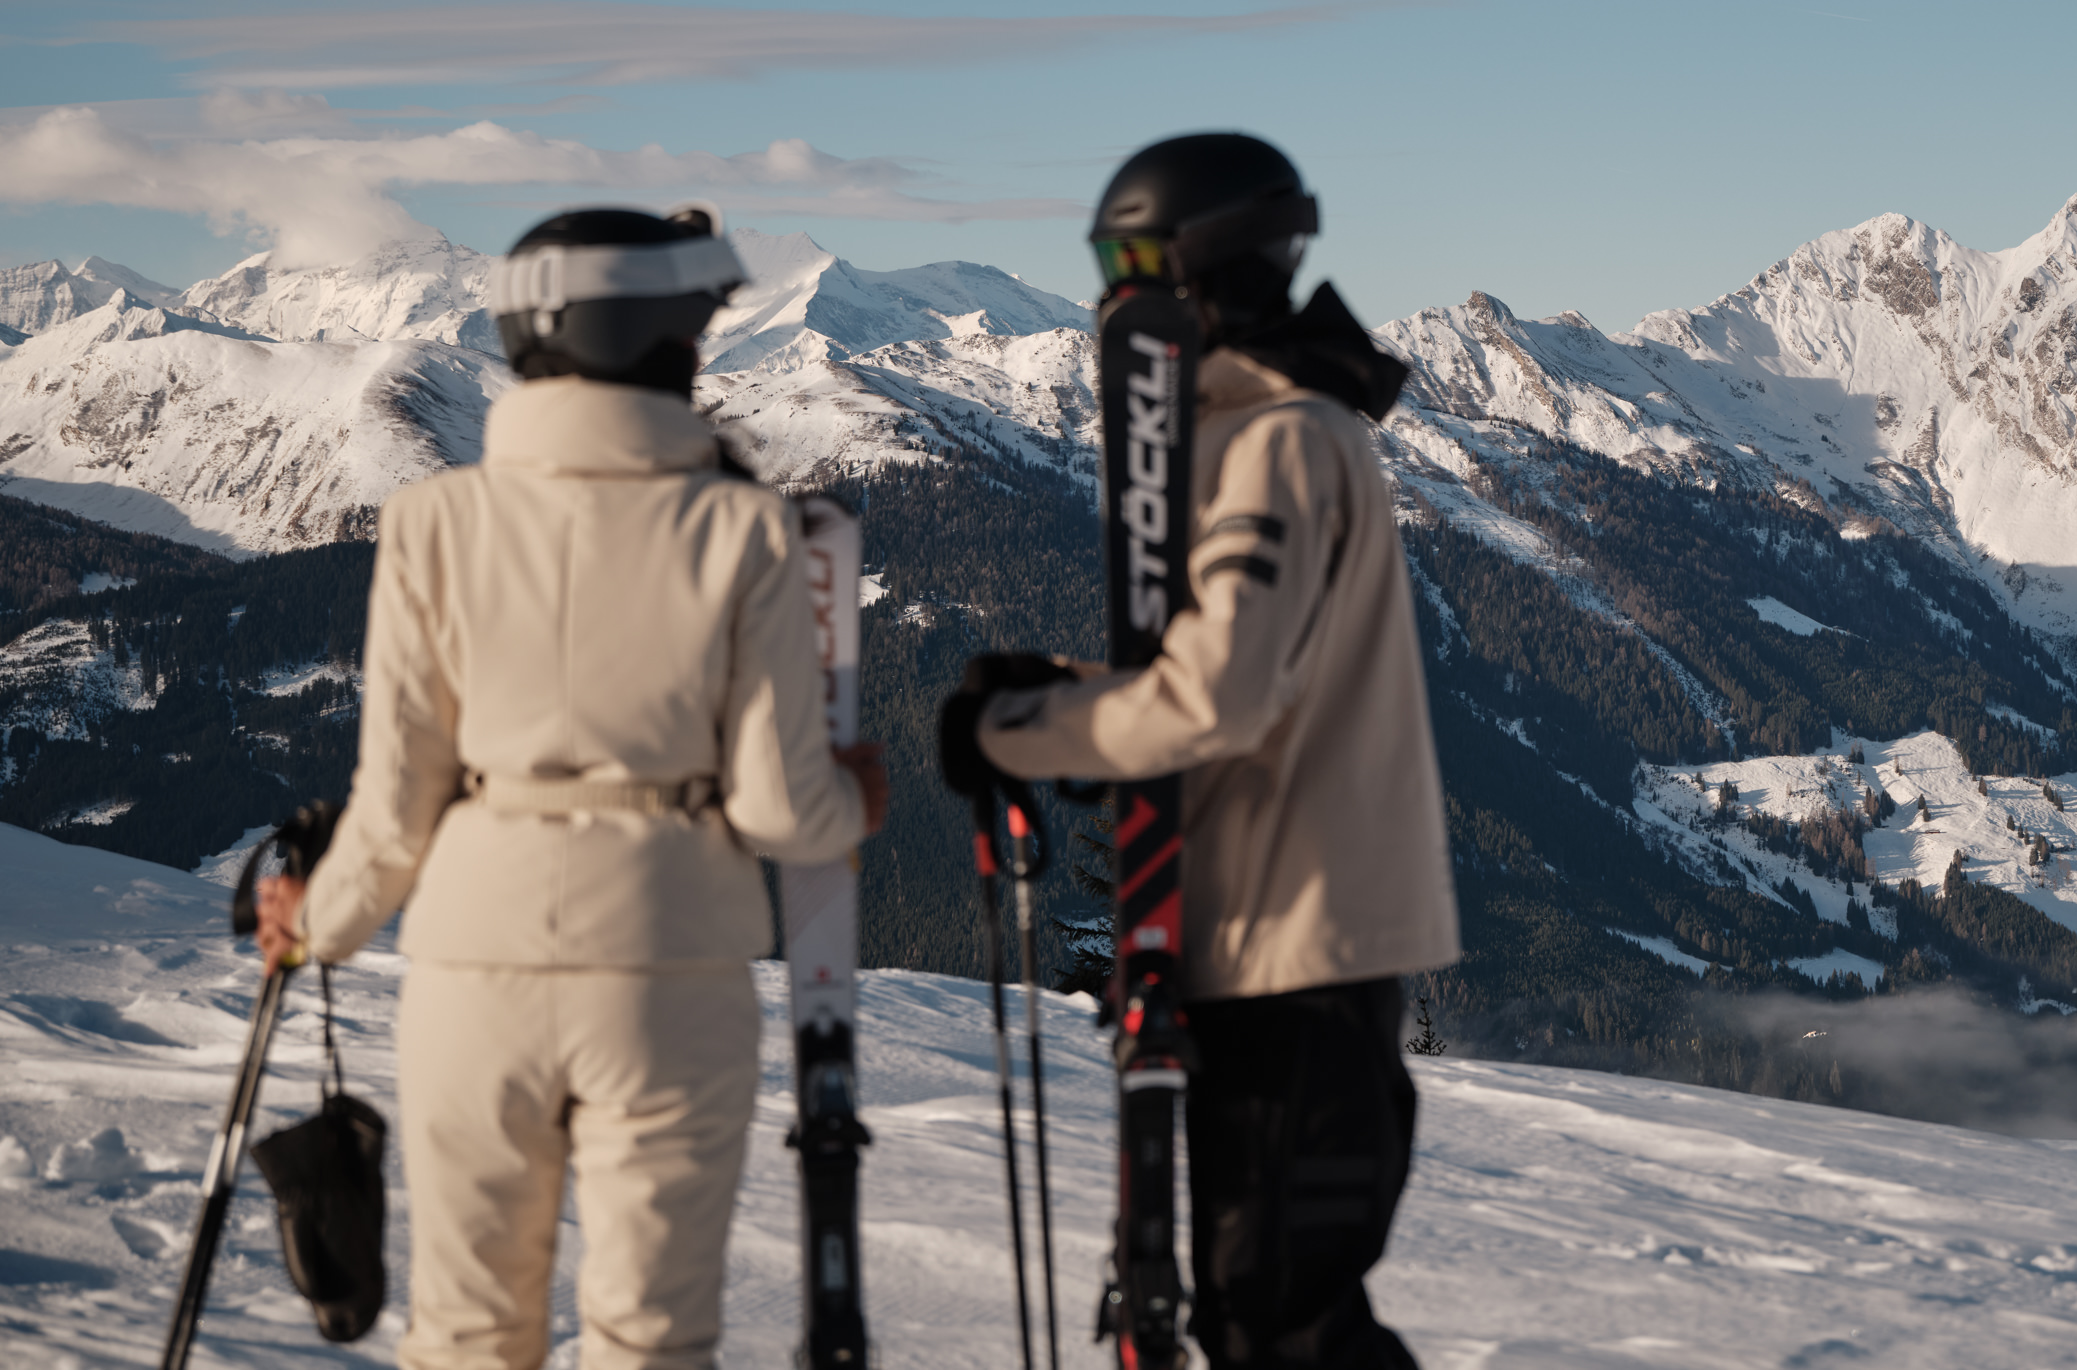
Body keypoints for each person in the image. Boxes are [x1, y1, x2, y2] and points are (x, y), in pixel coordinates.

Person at [255, 203, 888, 1370]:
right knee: (648, 1337)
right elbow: (780, 812)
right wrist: (862, 798)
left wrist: (314, 932)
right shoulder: (741, 526)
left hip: (473, 964)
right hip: (669, 959)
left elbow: (396, 801)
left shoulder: (435, 521)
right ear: (660, 340)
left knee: (467, 1332)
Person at [943, 134, 1459, 1370]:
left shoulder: (1282, 443)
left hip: (1302, 956)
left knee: (1276, 1317)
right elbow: (1235, 681)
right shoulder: (1265, 432)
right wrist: (1067, 700)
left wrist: (1022, 733)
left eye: (1127, 258)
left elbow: (1218, 699)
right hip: (1271, 942)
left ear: (1201, 265)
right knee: (1258, 1314)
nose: (1109, 291)